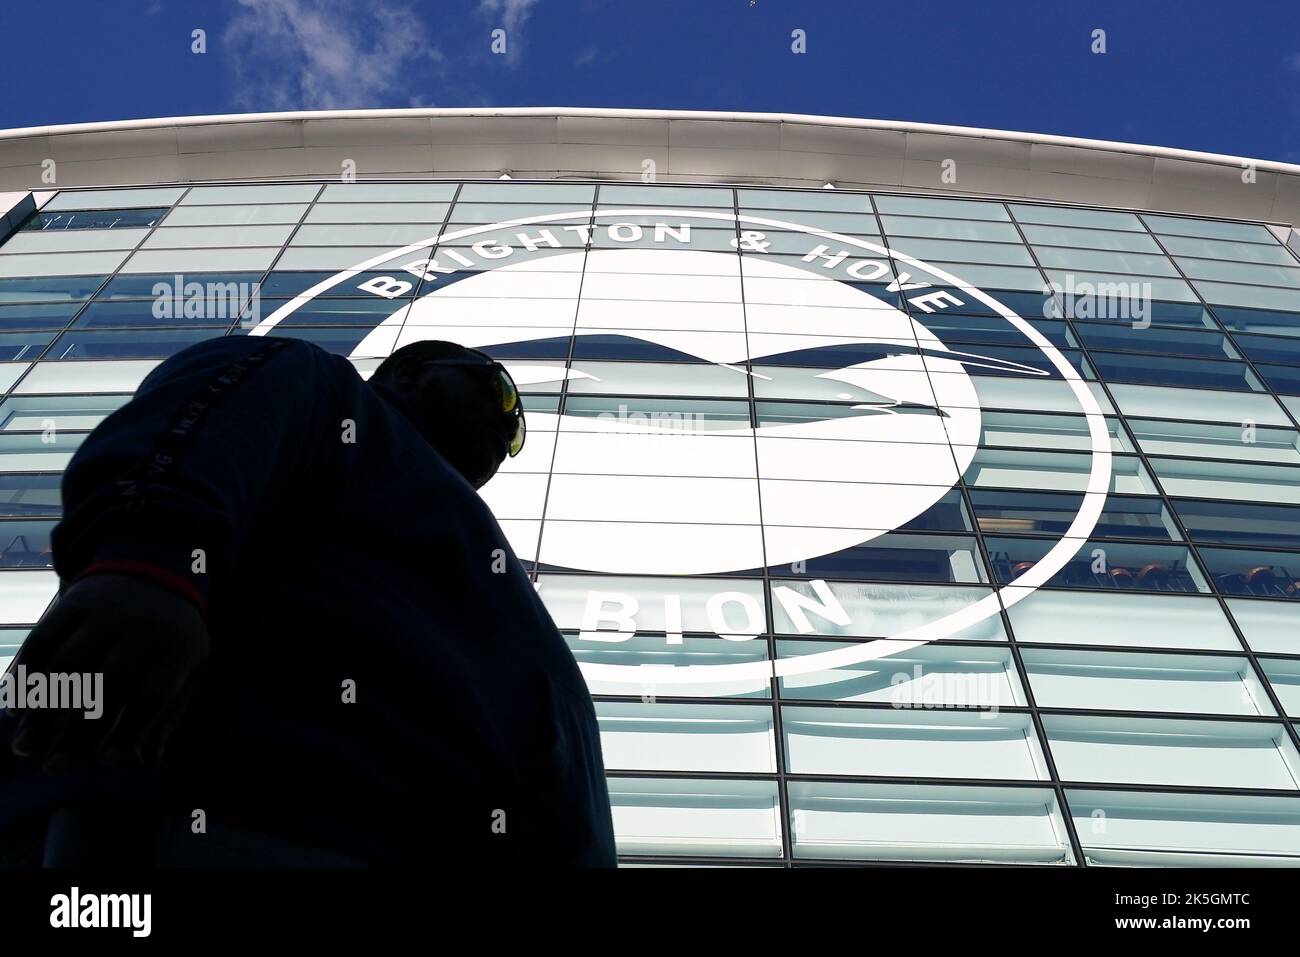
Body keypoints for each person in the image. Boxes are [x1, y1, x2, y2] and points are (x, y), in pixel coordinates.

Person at [0, 334, 617, 867]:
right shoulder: (322, 389)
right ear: (412, 372)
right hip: (253, 821)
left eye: (515, 435)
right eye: (503, 393)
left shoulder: (452, 529)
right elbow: (207, 431)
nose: (508, 424)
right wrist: (146, 570)